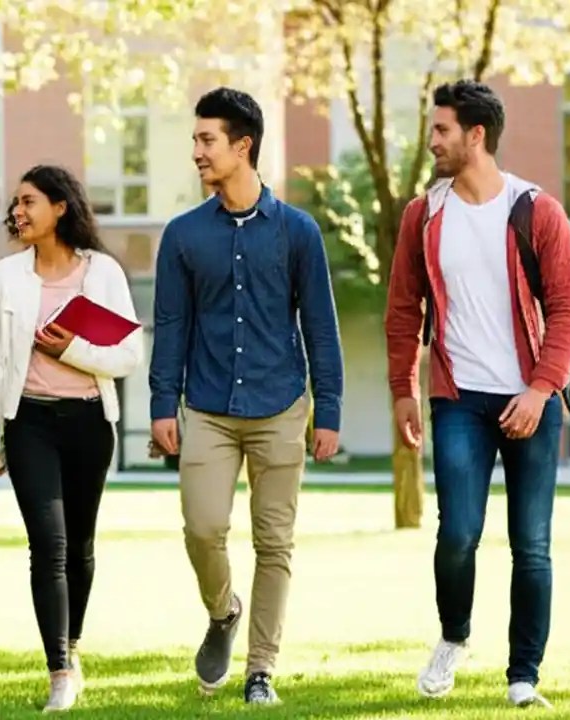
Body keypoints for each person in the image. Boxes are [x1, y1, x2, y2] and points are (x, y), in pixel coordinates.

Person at [384, 80, 570, 709]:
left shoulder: (535, 210)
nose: (432, 140)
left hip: (531, 396)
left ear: (476, 136)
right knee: (459, 532)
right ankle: (454, 637)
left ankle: (524, 675)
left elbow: (568, 308)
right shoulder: (424, 216)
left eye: (442, 130)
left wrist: (540, 389)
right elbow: (401, 310)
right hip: (459, 397)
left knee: (531, 543)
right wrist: (403, 391)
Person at [148, 87, 344, 705]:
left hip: (281, 405)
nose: (197, 152)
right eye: (196, 140)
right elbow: (172, 325)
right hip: (206, 407)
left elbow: (320, 326)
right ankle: (222, 609)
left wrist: (328, 410)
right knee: (202, 528)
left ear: (243, 145)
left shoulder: (298, 233)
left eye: (207, 141)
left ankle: (261, 668)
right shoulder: (182, 236)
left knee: (274, 542)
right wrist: (161, 404)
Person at [0, 164, 144, 712]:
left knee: (81, 547)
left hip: (91, 423)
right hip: (29, 423)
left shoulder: (103, 273)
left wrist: (67, 349)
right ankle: (57, 672)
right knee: (48, 546)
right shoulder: (5, 275)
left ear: (61, 207)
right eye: (16, 204)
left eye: (29, 202)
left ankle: (72, 648)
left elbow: (127, 355)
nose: (18, 212)